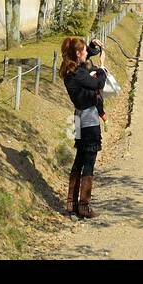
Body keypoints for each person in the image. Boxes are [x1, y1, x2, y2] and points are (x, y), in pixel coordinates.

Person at [61, 36, 107, 218]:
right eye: (84, 51)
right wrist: (102, 67)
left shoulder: (69, 70)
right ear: (77, 54)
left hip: (78, 118)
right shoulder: (78, 74)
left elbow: (86, 60)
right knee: (88, 161)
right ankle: (84, 205)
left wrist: (92, 45)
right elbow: (98, 83)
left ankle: (71, 203)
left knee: (79, 158)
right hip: (88, 118)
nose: (87, 53)